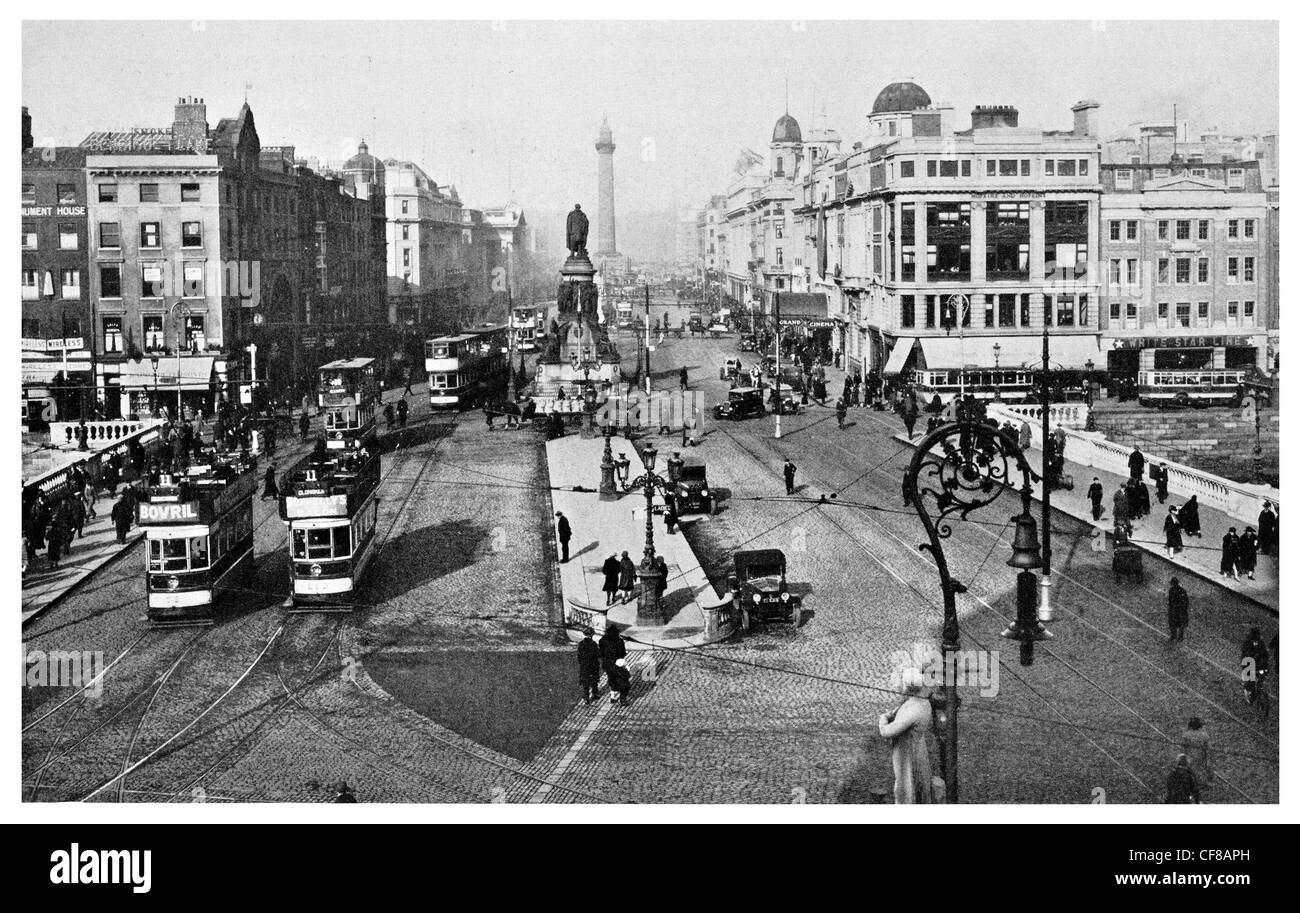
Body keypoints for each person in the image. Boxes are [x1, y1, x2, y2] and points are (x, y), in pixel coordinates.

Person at [878, 673, 934, 804]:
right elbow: (900, 714)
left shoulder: (914, 709)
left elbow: (886, 732)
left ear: (909, 687)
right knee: (915, 785)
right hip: (916, 748)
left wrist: (882, 719)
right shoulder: (922, 702)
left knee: (905, 788)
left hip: (906, 754)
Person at [1180, 717, 1213, 794]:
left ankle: (1190, 786)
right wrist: (1208, 760)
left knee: (1190, 772)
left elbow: (1183, 748)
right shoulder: (1205, 735)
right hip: (1200, 757)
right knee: (1200, 772)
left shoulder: (1186, 735)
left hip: (1189, 757)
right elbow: (1208, 749)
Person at [599, 624, 628, 705]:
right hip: (617, 663)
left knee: (611, 678)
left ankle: (613, 695)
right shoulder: (619, 641)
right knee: (621, 678)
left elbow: (601, 653)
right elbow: (622, 653)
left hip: (607, 663)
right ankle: (621, 697)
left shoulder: (602, 640)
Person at [577, 627, 601, 703]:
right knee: (594, 680)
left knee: (585, 682)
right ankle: (595, 694)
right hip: (593, 665)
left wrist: (582, 663)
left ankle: (586, 698)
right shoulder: (593, 644)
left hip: (584, 665)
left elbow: (579, 656)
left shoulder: (581, 644)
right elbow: (597, 654)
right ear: (592, 635)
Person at [1167, 576, 1189, 642]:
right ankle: (1173, 635)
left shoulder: (1182, 591)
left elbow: (1186, 601)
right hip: (1173, 610)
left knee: (1181, 624)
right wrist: (1170, 608)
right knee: (1172, 623)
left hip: (1180, 610)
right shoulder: (1171, 590)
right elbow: (1170, 600)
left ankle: (1180, 637)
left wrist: (1183, 609)